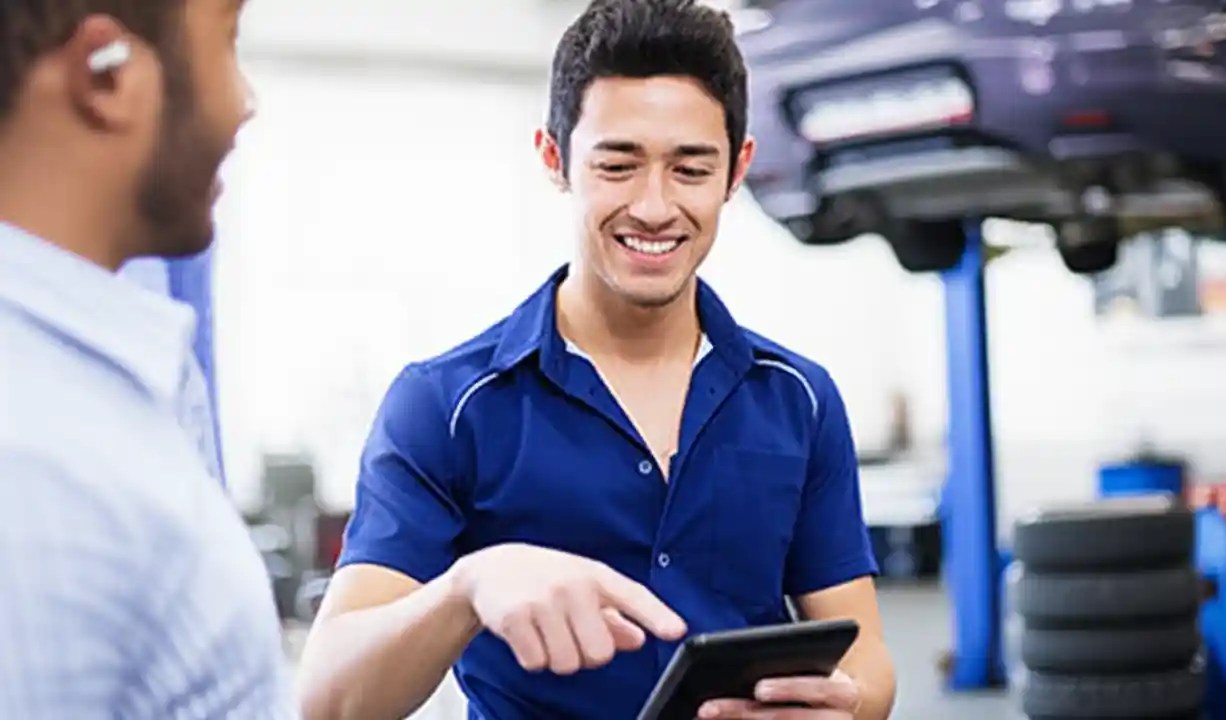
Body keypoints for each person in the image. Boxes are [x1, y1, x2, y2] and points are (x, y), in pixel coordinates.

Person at [296, 1, 897, 718]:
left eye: (689, 168)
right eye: (618, 164)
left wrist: (841, 707)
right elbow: (329, 701)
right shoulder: (447, 406)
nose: (653, 205)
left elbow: (867, 661)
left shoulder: (799, 400)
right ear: (555, 159)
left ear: (736, 171)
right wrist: (468, 588)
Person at [0, 1, 295, 717]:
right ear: (105, 76)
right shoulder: (38, 469)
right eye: (227, 42)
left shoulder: (96, 398)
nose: (245, 101)